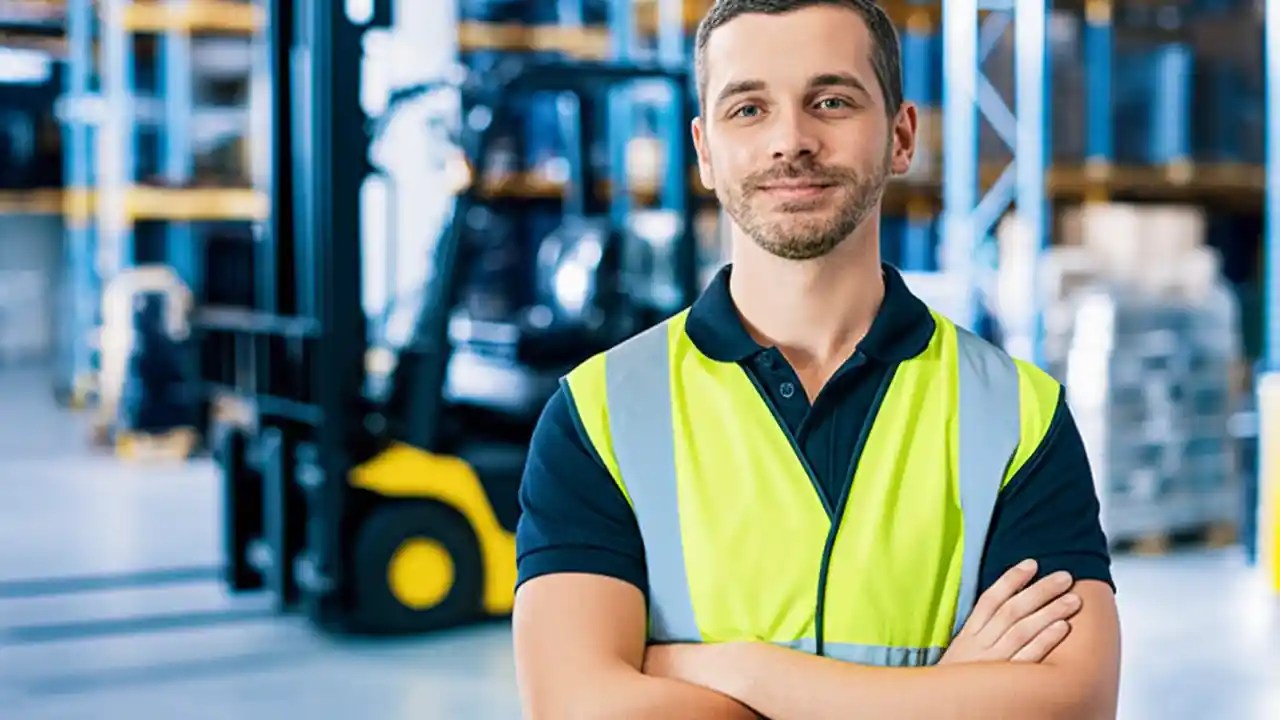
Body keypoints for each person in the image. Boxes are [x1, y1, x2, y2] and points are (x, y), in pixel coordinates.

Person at [512, 1, 1121, 717]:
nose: (791, 141)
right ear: (705, 151)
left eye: (831, 101)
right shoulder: (600, 416)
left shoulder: (1017, 416)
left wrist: (744, 671)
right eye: (749, 109)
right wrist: (944, 694)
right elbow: (580, 707)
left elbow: (1072, 705)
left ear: (900, 136)